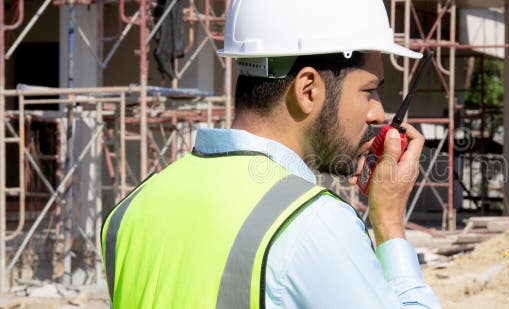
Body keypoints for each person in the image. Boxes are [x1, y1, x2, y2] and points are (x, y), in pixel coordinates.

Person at [101, 0, 442, 308]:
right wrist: (389, 222)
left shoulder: (131, 209)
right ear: (308, 90)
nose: (377, 113)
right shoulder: (313, 224)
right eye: (369, 91)